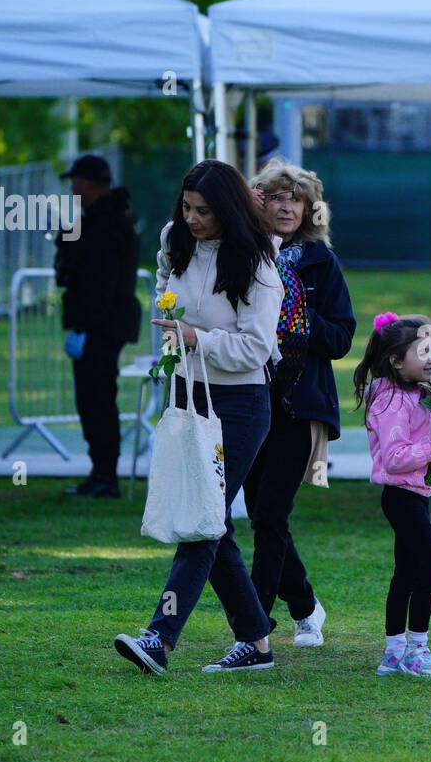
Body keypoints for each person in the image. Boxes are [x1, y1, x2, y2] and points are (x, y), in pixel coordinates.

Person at [113, 160, 283, 676]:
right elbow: (165, 293)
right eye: (186, 207)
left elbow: (256, 348)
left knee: (202, 521)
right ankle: (256, 641)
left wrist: (195, 340)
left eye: (203, 211)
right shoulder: (174, 239)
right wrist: (172, 330)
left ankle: (159, 638)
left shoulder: (257, 265)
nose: (191, 218)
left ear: (227, 210)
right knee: (214, 521)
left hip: (241, 404)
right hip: (187, 393)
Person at [243, 158, 356, 648]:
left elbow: (343, 336)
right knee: (258, 510)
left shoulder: (319, 262)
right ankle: (306, 607)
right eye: (276, 197)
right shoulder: (243, 255)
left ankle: (253, 624)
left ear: (310, 208)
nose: (286, 206)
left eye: (296, 198)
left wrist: (298, 319)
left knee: (270, 513)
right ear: (258, 203)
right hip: (248, 400)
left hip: (299, 404)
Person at [354, 313, 431, 677]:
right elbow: (396, 458)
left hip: (417, 497)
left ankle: (393, 653)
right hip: (401, 498)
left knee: (407, 574)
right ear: (397, 361)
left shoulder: (422, 394)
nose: (430, 358)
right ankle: (416, 650)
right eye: (421, 352)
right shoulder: (391, 402)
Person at [54, 154, 142, 498]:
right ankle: (101, 472)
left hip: (100, 325)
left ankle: (105, 475)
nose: (72, 188)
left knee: (97, 400)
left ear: (86, 184)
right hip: (104, 323)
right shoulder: (107, 219)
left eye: (75, 182)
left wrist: (84, 326)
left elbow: (99, 281)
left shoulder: (103, 224)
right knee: (95, 399)